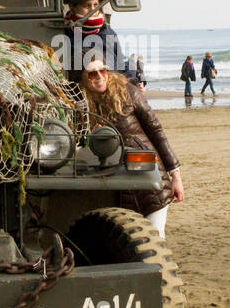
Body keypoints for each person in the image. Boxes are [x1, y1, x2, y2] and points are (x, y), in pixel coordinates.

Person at [79, 55, 184, 237]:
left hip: (148, 175)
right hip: (114, 185)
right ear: (85, 78)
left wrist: (176, 177)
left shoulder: (129, 92)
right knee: (128, 240)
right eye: (92, 74)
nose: (99, 77)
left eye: (102, 71)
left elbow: (157, 132)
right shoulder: (84, 106)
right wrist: (93, 136)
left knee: (155, 236)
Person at [60, 0, 127, 81]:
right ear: (72, 6)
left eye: (96, 4)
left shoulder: (107, 32)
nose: (93, 10)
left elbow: (121, 64)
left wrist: (136, 79)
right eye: (87, 6)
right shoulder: (65, 35)